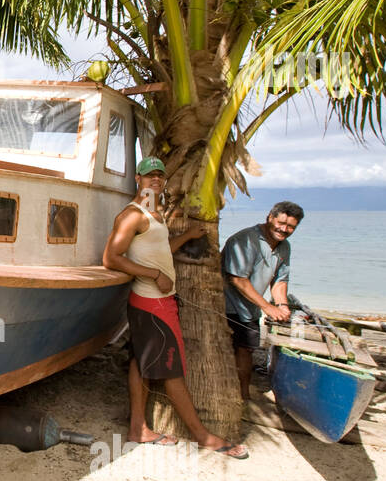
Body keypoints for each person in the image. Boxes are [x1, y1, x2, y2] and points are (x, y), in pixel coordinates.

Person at [102, 157, 248, 459]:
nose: (156, 180)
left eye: (160, 175)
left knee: (140, 363)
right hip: (151, 303)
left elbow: (158, 249)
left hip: (159, 301)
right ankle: (204, 437)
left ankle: (138, 428)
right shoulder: (132, 215)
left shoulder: (154, 215)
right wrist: (155, 275)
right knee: (172, 371)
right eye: (149, 175)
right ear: (138, 180)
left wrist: (187, 237)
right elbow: (111, 258)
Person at [221, 201, 304, 398]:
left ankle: (242, 393)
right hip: (228, 306)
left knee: (247, 350)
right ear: (270, 217)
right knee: (236, 350)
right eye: (281, 223)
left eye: (291, 226)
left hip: (251, 308)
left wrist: (282, 306)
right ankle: (238, 394)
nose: (284, 229)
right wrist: (268, 307)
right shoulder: (245, 240)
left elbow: (280, 280)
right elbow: (238, 279)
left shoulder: (284, 247)